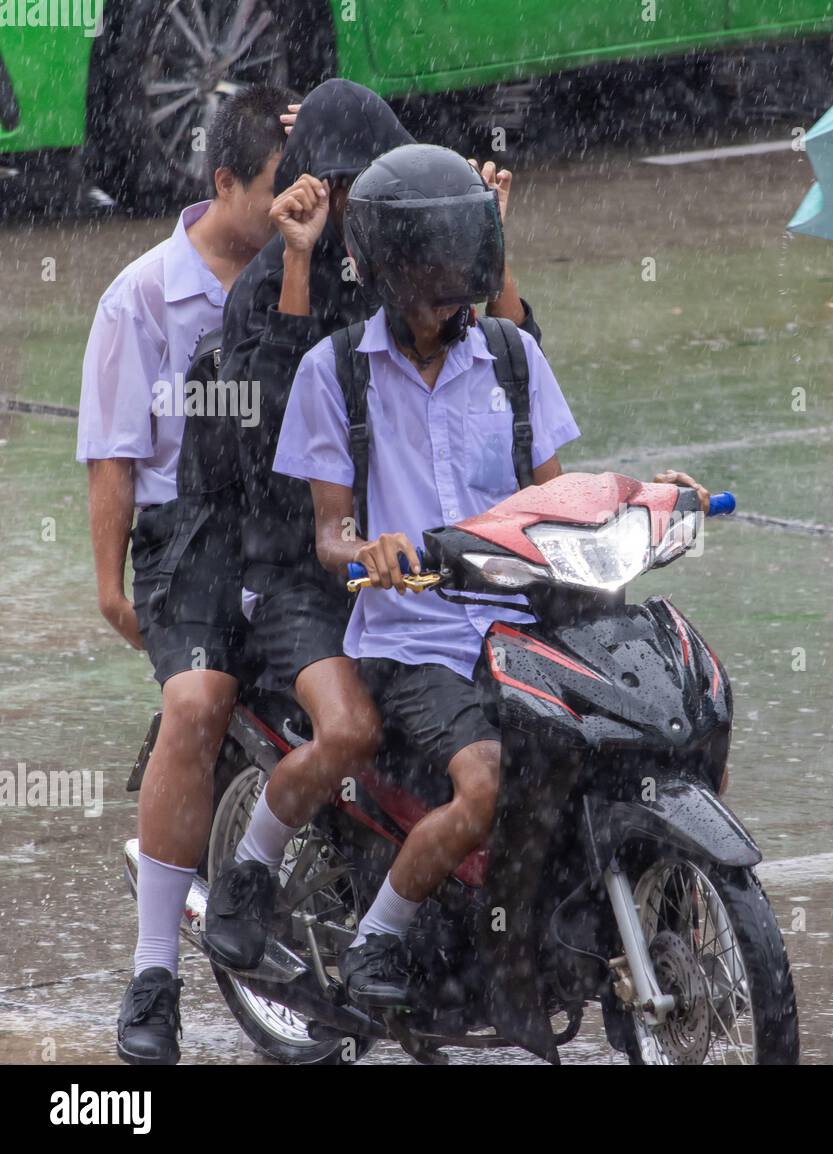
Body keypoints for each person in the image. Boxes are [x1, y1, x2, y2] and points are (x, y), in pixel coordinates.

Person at [269, 143, 710, 1005]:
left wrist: (651, 492)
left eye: (459, 264)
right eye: (429, 268)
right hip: (414, 639)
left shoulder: (510, 357)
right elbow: (329, 532)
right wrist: (369, 551)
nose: (449, 288)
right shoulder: (333, 375)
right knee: (486, 783)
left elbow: (563, 501)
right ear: (385, 269)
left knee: (630, 741)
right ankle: (378, 937)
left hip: (524, 625)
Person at [201, 81, 542, 972]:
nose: (357, 204)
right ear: (309, 185)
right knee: (348, 729)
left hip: (424, 564)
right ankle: (247, 874)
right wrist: (304, 263)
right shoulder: (272, 283)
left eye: (372, 185)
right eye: (340, 185)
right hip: (300, 567)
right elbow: (268, 439)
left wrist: (486, 244)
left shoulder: (416, 265)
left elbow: (520, 384)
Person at [76, 84, 297, 1064]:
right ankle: (155, 969)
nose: (299, 208)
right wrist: (112, 583)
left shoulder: (313, 271)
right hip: (186, 532)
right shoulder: (142, 296)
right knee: (198, 701)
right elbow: (115, 459)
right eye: (279, 191)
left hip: (295, 523)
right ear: (222, 183)